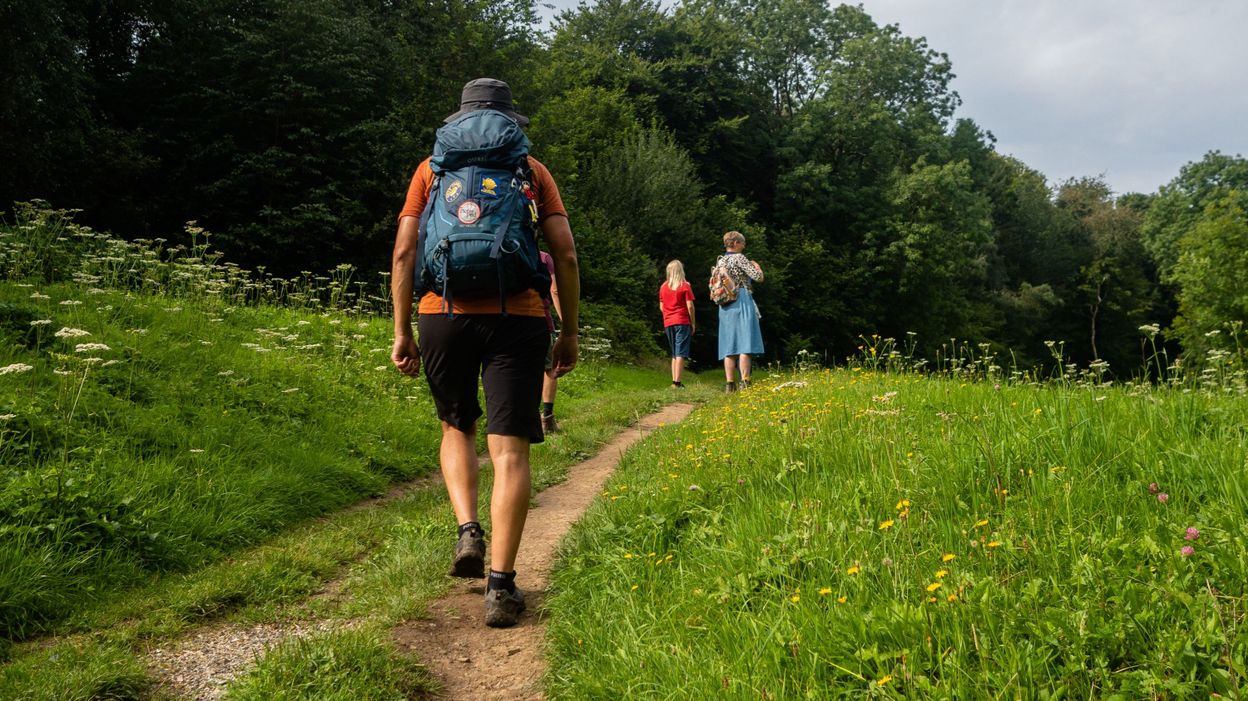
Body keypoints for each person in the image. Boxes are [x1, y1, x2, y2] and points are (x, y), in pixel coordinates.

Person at [391, 78, 579, 628]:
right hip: (516, 316)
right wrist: (567, 330)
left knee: (456, 428)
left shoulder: (431, 170)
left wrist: (402, 330)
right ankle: (501, 586)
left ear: (461, 118)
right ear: (509, 121)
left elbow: (405, 251)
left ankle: (467, 529)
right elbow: (563, 253)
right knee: (510, 450)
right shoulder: (532, 171)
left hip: (440, 312)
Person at [715, 230, 763, 391]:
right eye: (742, 243)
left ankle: (730, 385)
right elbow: (758, 277)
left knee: (729, 344)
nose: (744, 246)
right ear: (735, 243)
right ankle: (745, 382)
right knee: (745, 343)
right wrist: (757, 267)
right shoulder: (739, 258)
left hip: (725, 302)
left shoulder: (720, 261)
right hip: (741, 299)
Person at [658, 260, 695, 388]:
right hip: (682, 321)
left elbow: (661, 307)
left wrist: (669, 314)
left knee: (674, 352)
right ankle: (677, 383)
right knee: (681, 352)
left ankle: (674, 381)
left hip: (668, 322)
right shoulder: (684, 286)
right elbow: (690, 306)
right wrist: (693, 323)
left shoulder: (663, 286)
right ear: (681, 271)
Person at [539, 250, 563, 433]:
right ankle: (547, 418)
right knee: (550, 368)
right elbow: (554, 290)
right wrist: (566, 320)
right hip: (540, 320)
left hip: (509, 323)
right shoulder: (544, 257)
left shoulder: (503, 250)